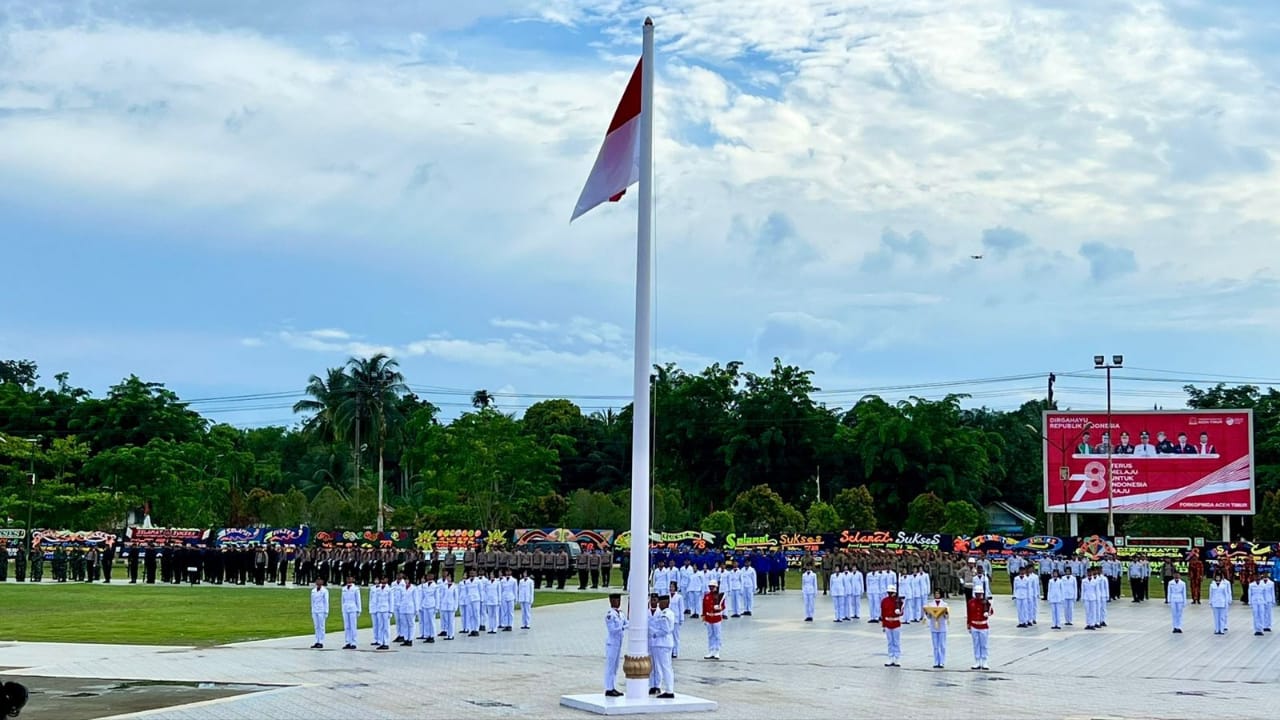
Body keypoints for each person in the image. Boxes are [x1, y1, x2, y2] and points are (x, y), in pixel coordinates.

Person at [649, 595, 676, 699]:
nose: (659, 604)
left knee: (665, 667)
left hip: (662, 643)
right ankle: (668, 689)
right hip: (662, 643)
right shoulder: (665, 613)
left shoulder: (665, 614)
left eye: (661, 602)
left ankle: (669, 691)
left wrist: (654, 633)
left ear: (666, 603)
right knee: (663, 667)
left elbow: (666, 630)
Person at [603, 594, 627, 698]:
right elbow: (612, 630)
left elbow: (627, 622)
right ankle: (608, 688)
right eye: (616, 600)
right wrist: (623, 627)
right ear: (611, 601)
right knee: (610, 666)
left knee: (615, 666)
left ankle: (613, 687)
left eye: (619, 600)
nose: (618, 602)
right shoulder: (610, 615)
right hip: (612, 643)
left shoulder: (621, 614)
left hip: (619, 642)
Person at [967, 587, 992, 670]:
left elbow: (991, 611)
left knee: (984, 645)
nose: (978, 595)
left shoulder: (985, 602)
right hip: (974, 625)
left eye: (980, 594)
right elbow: (969, 614)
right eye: (977, 593)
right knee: (976, 644)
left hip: (983, 626)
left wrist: (987, 611)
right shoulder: (971, 602)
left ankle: (984, 661)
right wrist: (968, 624)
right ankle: (977, 661)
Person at [924, 590, 949, 669]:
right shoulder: (931, 604)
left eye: (938, 593)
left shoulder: (944, 604)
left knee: (942, 645)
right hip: (934, 626)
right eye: (935, 593)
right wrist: (927, 612)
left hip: (942, 626)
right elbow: (929, 617)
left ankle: (942, 661)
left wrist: (945, 613)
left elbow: (947, 617)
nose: (937, 595)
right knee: (935, 646)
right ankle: (936, 661)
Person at [880, 584, 903, 667]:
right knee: (890, 642)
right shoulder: (884, 601)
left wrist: (899, 611)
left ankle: (897, 658)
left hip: (896, 623)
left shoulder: (898, 601)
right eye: (889, 592)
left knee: (896, 642)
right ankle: (890, 657)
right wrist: (883, 625)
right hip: (887, 623)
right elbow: (883, 613)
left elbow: (902, 612)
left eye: (892, 592)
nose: (891, 594)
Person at [702, 580, 724, 659]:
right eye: (710, 587)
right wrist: (704, 616)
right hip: (709, 618)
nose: (711, 588)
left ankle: (717, 651)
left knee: (717, 635)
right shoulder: (706, 595)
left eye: (713, 587)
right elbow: (704, 607)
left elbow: (723, 606)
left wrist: (720, 608)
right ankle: (711, 650)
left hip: (716, 618)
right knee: (710, 635)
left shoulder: (719, 596)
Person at [370, 576, 392, 649]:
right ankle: (381, 642)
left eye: (384, 579)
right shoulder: (378, 589)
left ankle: (386, 642)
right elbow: (376, 600)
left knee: (386, 627)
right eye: (382, 579)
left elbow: (391, 601)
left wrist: (390, 611)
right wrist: (375, 609)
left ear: (387, 580)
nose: (383, 580)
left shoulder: (389, 589)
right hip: (379, 610)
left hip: (386, 609)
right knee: (380, 627)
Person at [340, 575, 361, 649]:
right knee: (347, 626)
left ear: (353, 579)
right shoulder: (344, 588)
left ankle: (353, 642)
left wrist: (359, 610)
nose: (349, 579)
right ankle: (348, 642)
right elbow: (342, 600)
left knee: (353, 626)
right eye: (347, 578)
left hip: (353, 608)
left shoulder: (355, 589)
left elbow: (358, 600)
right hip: (346, 608)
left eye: (350, 578)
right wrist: (342, 609)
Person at [310, 577, 329, 649]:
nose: (318, 582)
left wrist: (326, 611)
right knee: (316, 626)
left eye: (320, 580)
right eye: (317, 580)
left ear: (322, 582)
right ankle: (316, 640)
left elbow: (326, 602)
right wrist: (312, 610)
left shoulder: (325, 591)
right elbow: (312, 601)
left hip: (321, 610)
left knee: (321, 626)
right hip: (315, 610)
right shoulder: (313, 591)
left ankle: (321, 641)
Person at [667, 581, 685, 658]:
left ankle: (675, 651)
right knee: (669, 635)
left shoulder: (679, 597)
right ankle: (670, 650)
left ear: (675, 588)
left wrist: (681, 618)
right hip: (668, 618)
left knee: (675, 636)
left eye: (673, 587)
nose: (671, 588)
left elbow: (681, 608)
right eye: (670, 587)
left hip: (676, 618)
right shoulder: (667, 596)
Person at [1167, 569, 1187, 633]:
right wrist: (1169, 600)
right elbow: (1169, 592)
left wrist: (1184, 601)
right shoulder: (1170, 582)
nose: (1176, 576)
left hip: (1180, 598)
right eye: (1175, 574)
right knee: (1174, 613)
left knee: (1179, 613)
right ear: (1173, 575)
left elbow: (1184, 593)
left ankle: (1179, 627)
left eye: (1178, 574)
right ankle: (1175, 627)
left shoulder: (1183, 583)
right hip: (1173, 598)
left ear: (1180, 575)